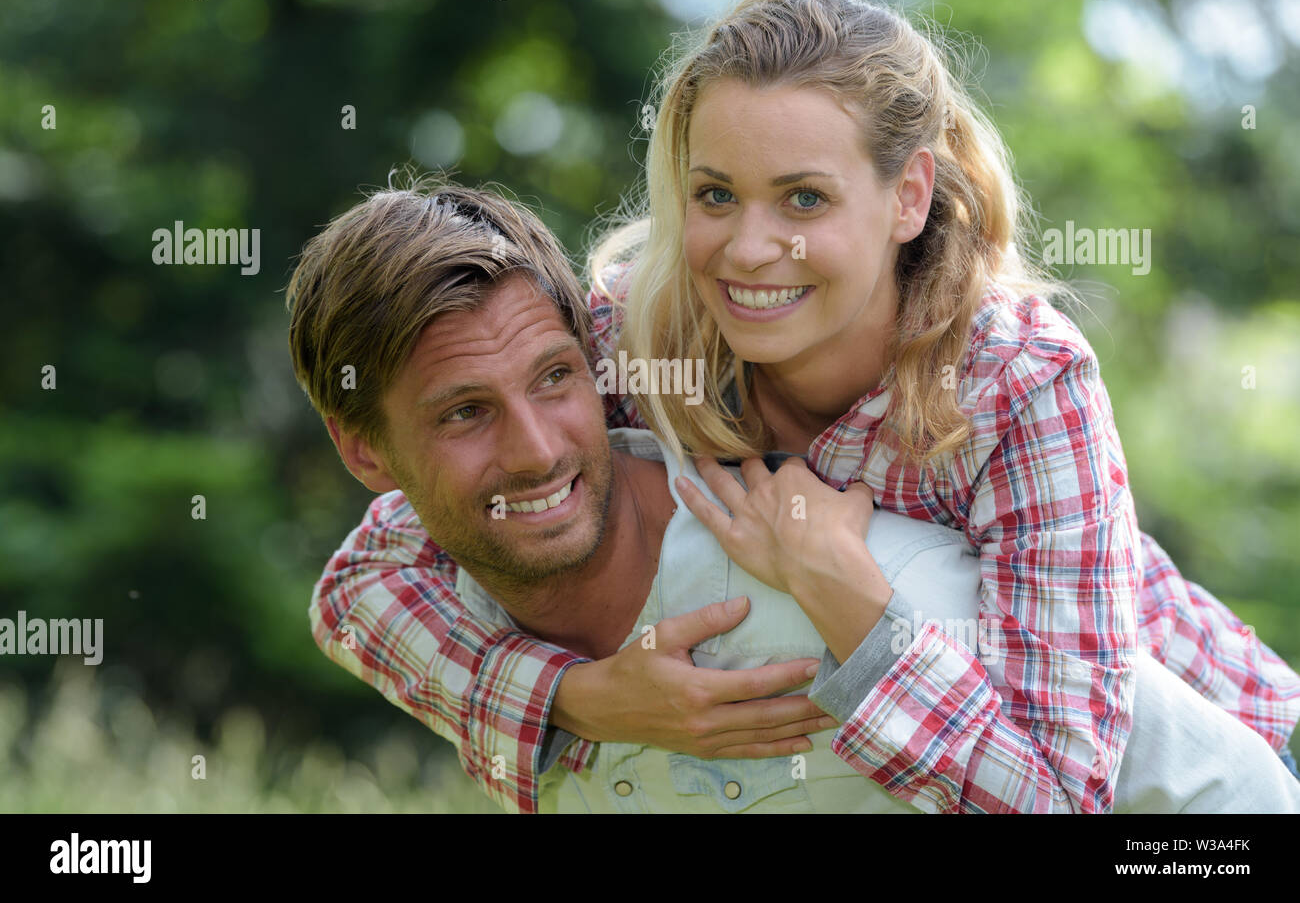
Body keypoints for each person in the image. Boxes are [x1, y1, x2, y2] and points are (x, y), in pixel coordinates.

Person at [288, 182, 1300, 812]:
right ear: (364, 449)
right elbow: (349, 590)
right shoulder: (627, 368)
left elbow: (1187, 790)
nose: (534, 446)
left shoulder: (973, 416)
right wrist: (575, 700)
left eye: (551, 382)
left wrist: (859, 622)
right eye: (463, 413)